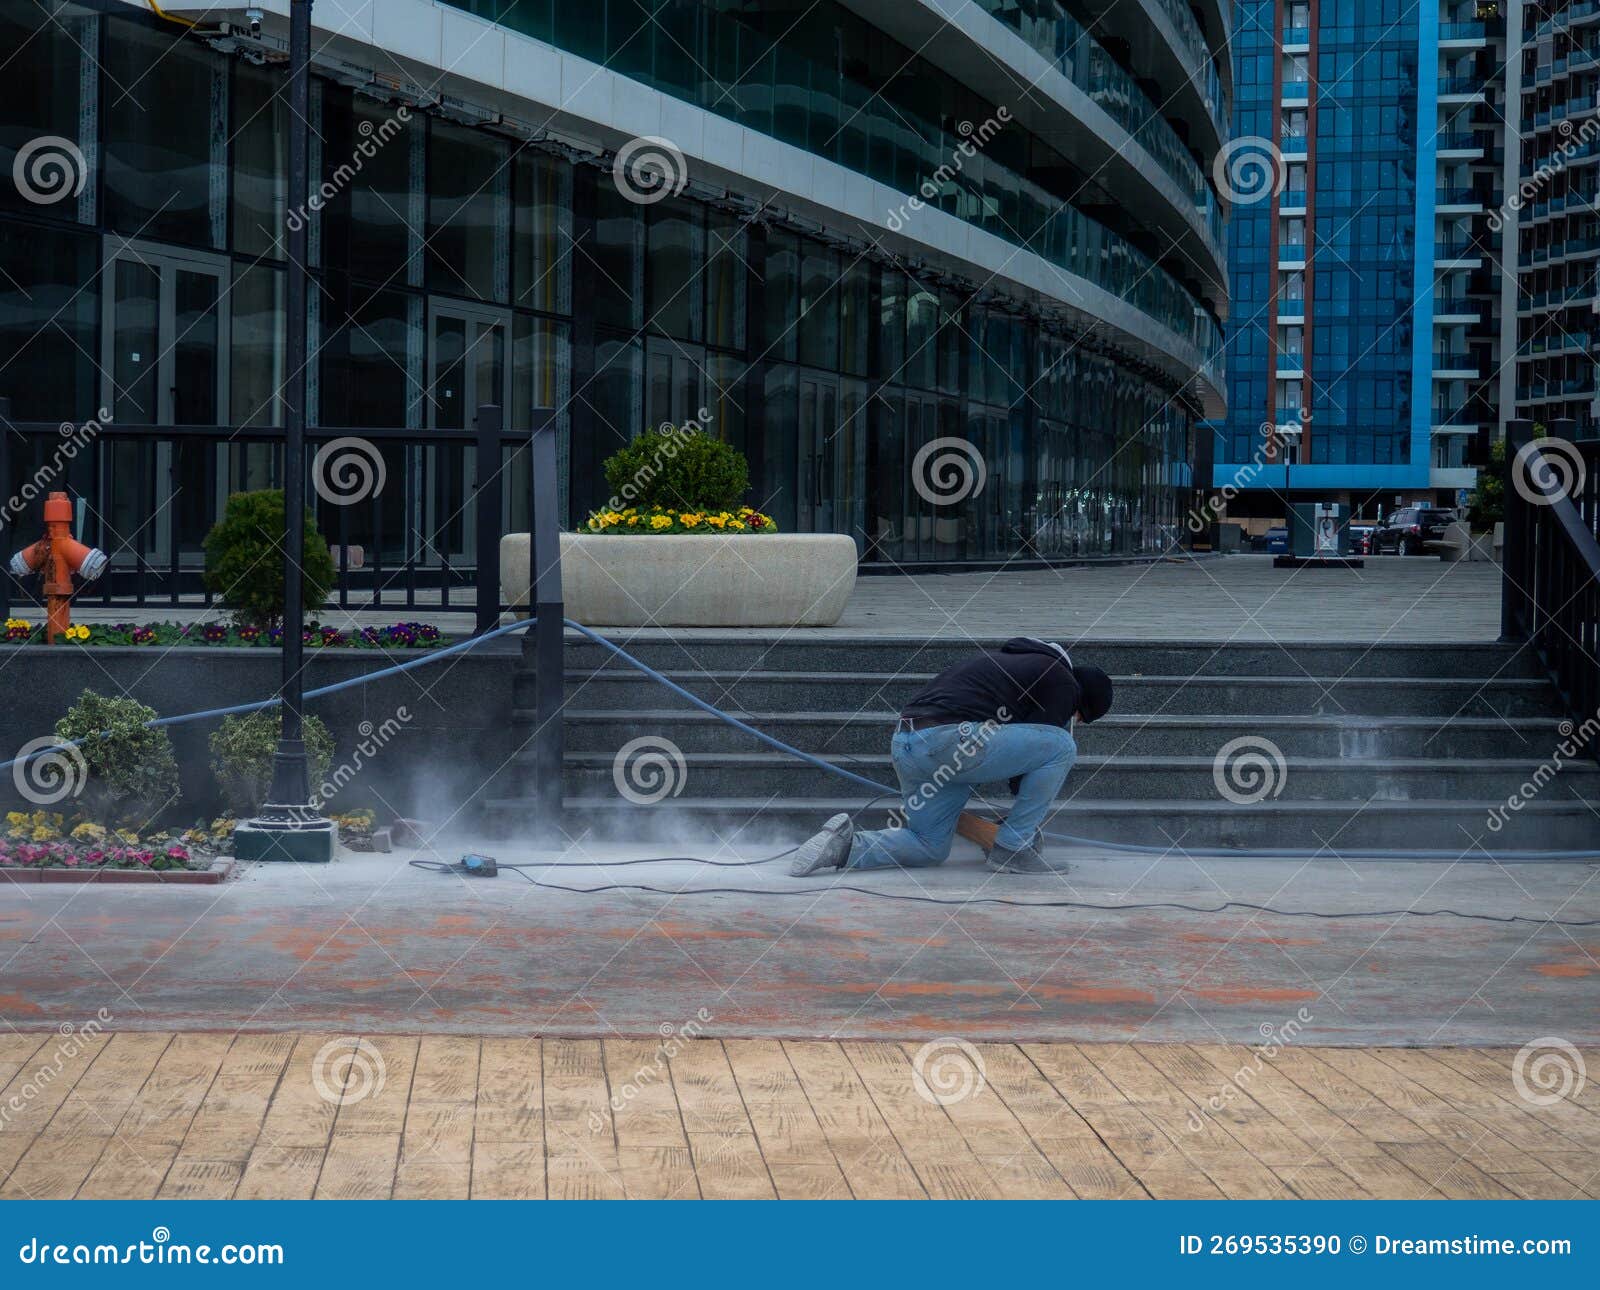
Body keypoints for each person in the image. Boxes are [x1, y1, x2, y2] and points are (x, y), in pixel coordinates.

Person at [790, 638, 1113, 877]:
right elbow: (1032, 762)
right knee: (1062, 746)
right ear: (1082, 703)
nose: (1074, 722)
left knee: (929, 845)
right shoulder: (1061, 680)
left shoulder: (1018, 665)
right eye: (1079, 719)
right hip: (949, 740)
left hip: (909, 743)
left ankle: (845, 845)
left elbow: (1011, 750)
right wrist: (1016, 830)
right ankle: (1012, 851)